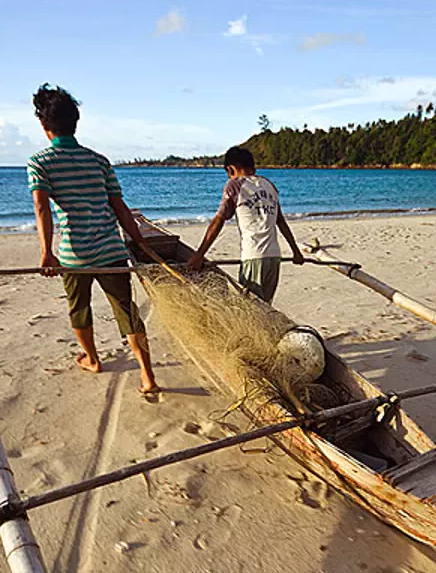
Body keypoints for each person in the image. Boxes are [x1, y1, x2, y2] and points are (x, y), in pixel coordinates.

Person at [26, 84, 159, 396]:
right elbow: (120, 208)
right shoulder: (99, 161)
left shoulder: (40, 162)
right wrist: (138, 241)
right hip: (112, 249)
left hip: (76, 254)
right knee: (127, 311)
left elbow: (41, 206)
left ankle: (92, 358)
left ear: (44, 126)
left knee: (79, 307)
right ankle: (148, 375)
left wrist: (47, 253)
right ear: (75, 123)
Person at [186, 146, 303, 303]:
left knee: (249, 309)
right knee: (265, 306)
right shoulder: (269, 185)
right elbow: (280, 221)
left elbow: (218, 221)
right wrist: (296, 252)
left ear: (231, 169)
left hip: (254, 256)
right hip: (274, 257)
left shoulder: (234, 185)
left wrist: (199, 255)